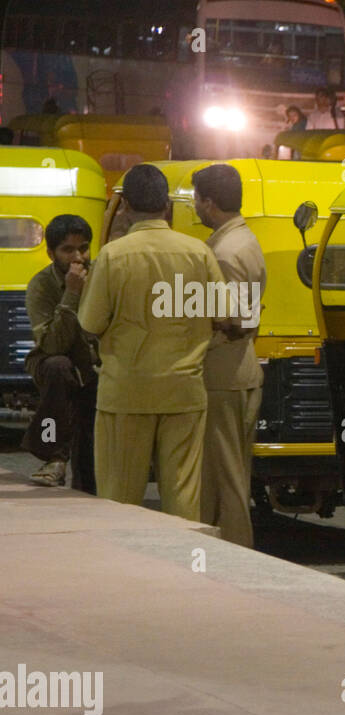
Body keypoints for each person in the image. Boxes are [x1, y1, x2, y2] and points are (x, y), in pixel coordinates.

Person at [78, 164, 228, 520]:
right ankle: (180, 570)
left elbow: (90, 323)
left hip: (126, 393)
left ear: (126, 206)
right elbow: (223, 315)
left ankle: (125, 572)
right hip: (184, 392)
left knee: (120, 498)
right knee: (183, 497)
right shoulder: (199, 253)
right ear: (167, 205)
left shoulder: (114, 256)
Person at [192, 164, 265, 548]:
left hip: (223, 374)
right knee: (233, 472)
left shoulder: (222, 252)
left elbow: (235, 316)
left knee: (225, 478)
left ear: (209, 202)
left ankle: (237, 554)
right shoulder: (246, 239)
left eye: (196, 199)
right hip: (243, 370)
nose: (194, 207)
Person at [22, 215, 97, 490]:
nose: (78, 257)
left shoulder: (101, 275)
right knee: (59, 368)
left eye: (84, 248)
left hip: (91, 365)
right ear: (51, 253)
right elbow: (53, 343)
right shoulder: (41, 285)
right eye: (68, 250)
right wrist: (72, 295)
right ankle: (53, 455)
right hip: (51, 360)